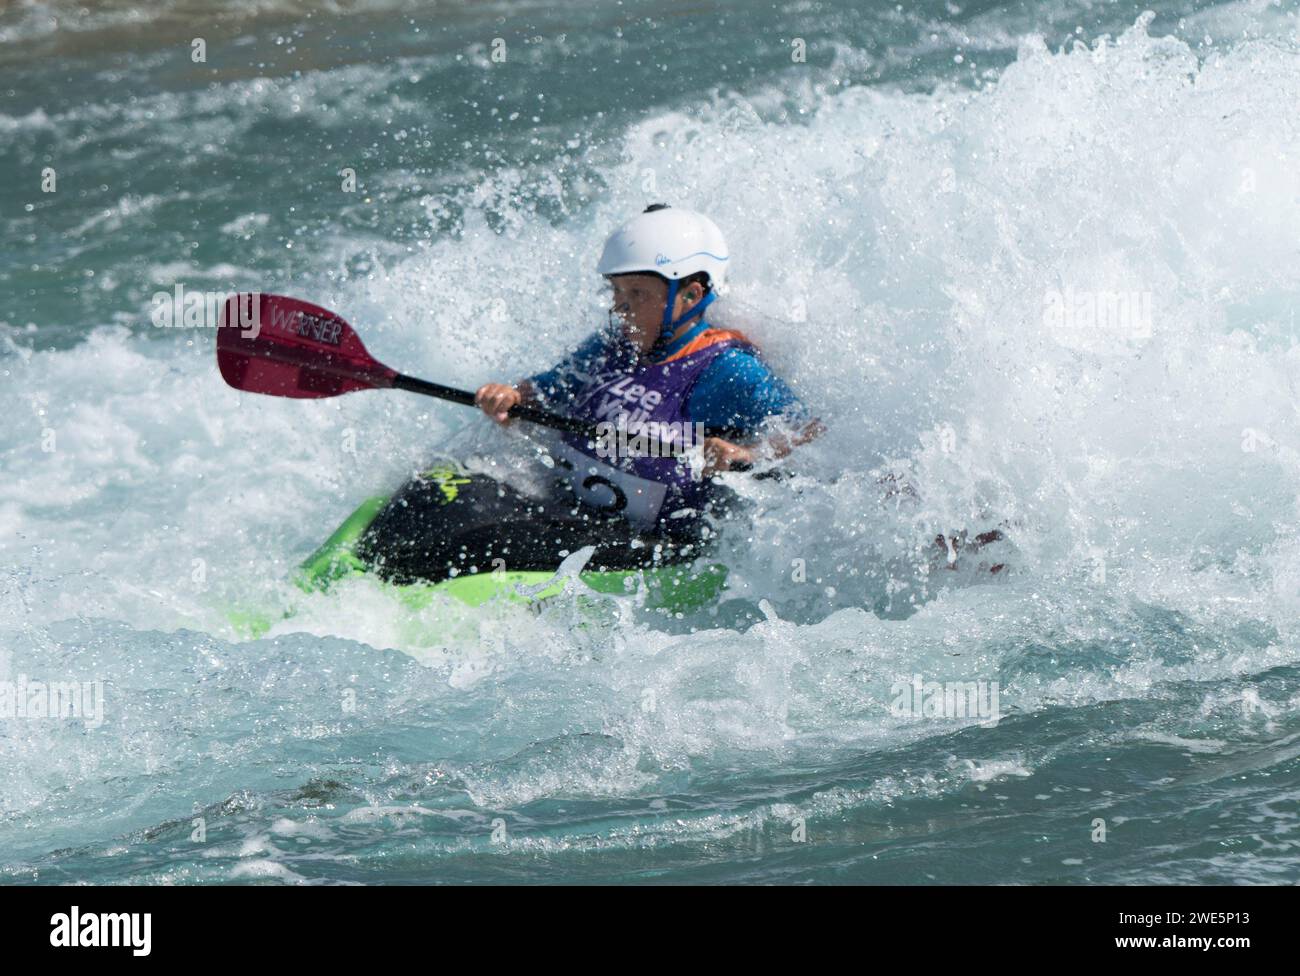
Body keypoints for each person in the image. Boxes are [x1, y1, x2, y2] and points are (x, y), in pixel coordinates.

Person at [475, 204, 821, 537]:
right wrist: (514, 397)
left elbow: (807, 432)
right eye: (616, 290)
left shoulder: (728, 369)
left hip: (651, 544)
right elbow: (553, 388)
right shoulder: (612, 345)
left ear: (690, 295)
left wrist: (748, 454)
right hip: (565, 511)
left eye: (637, 293)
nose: (619, 307)